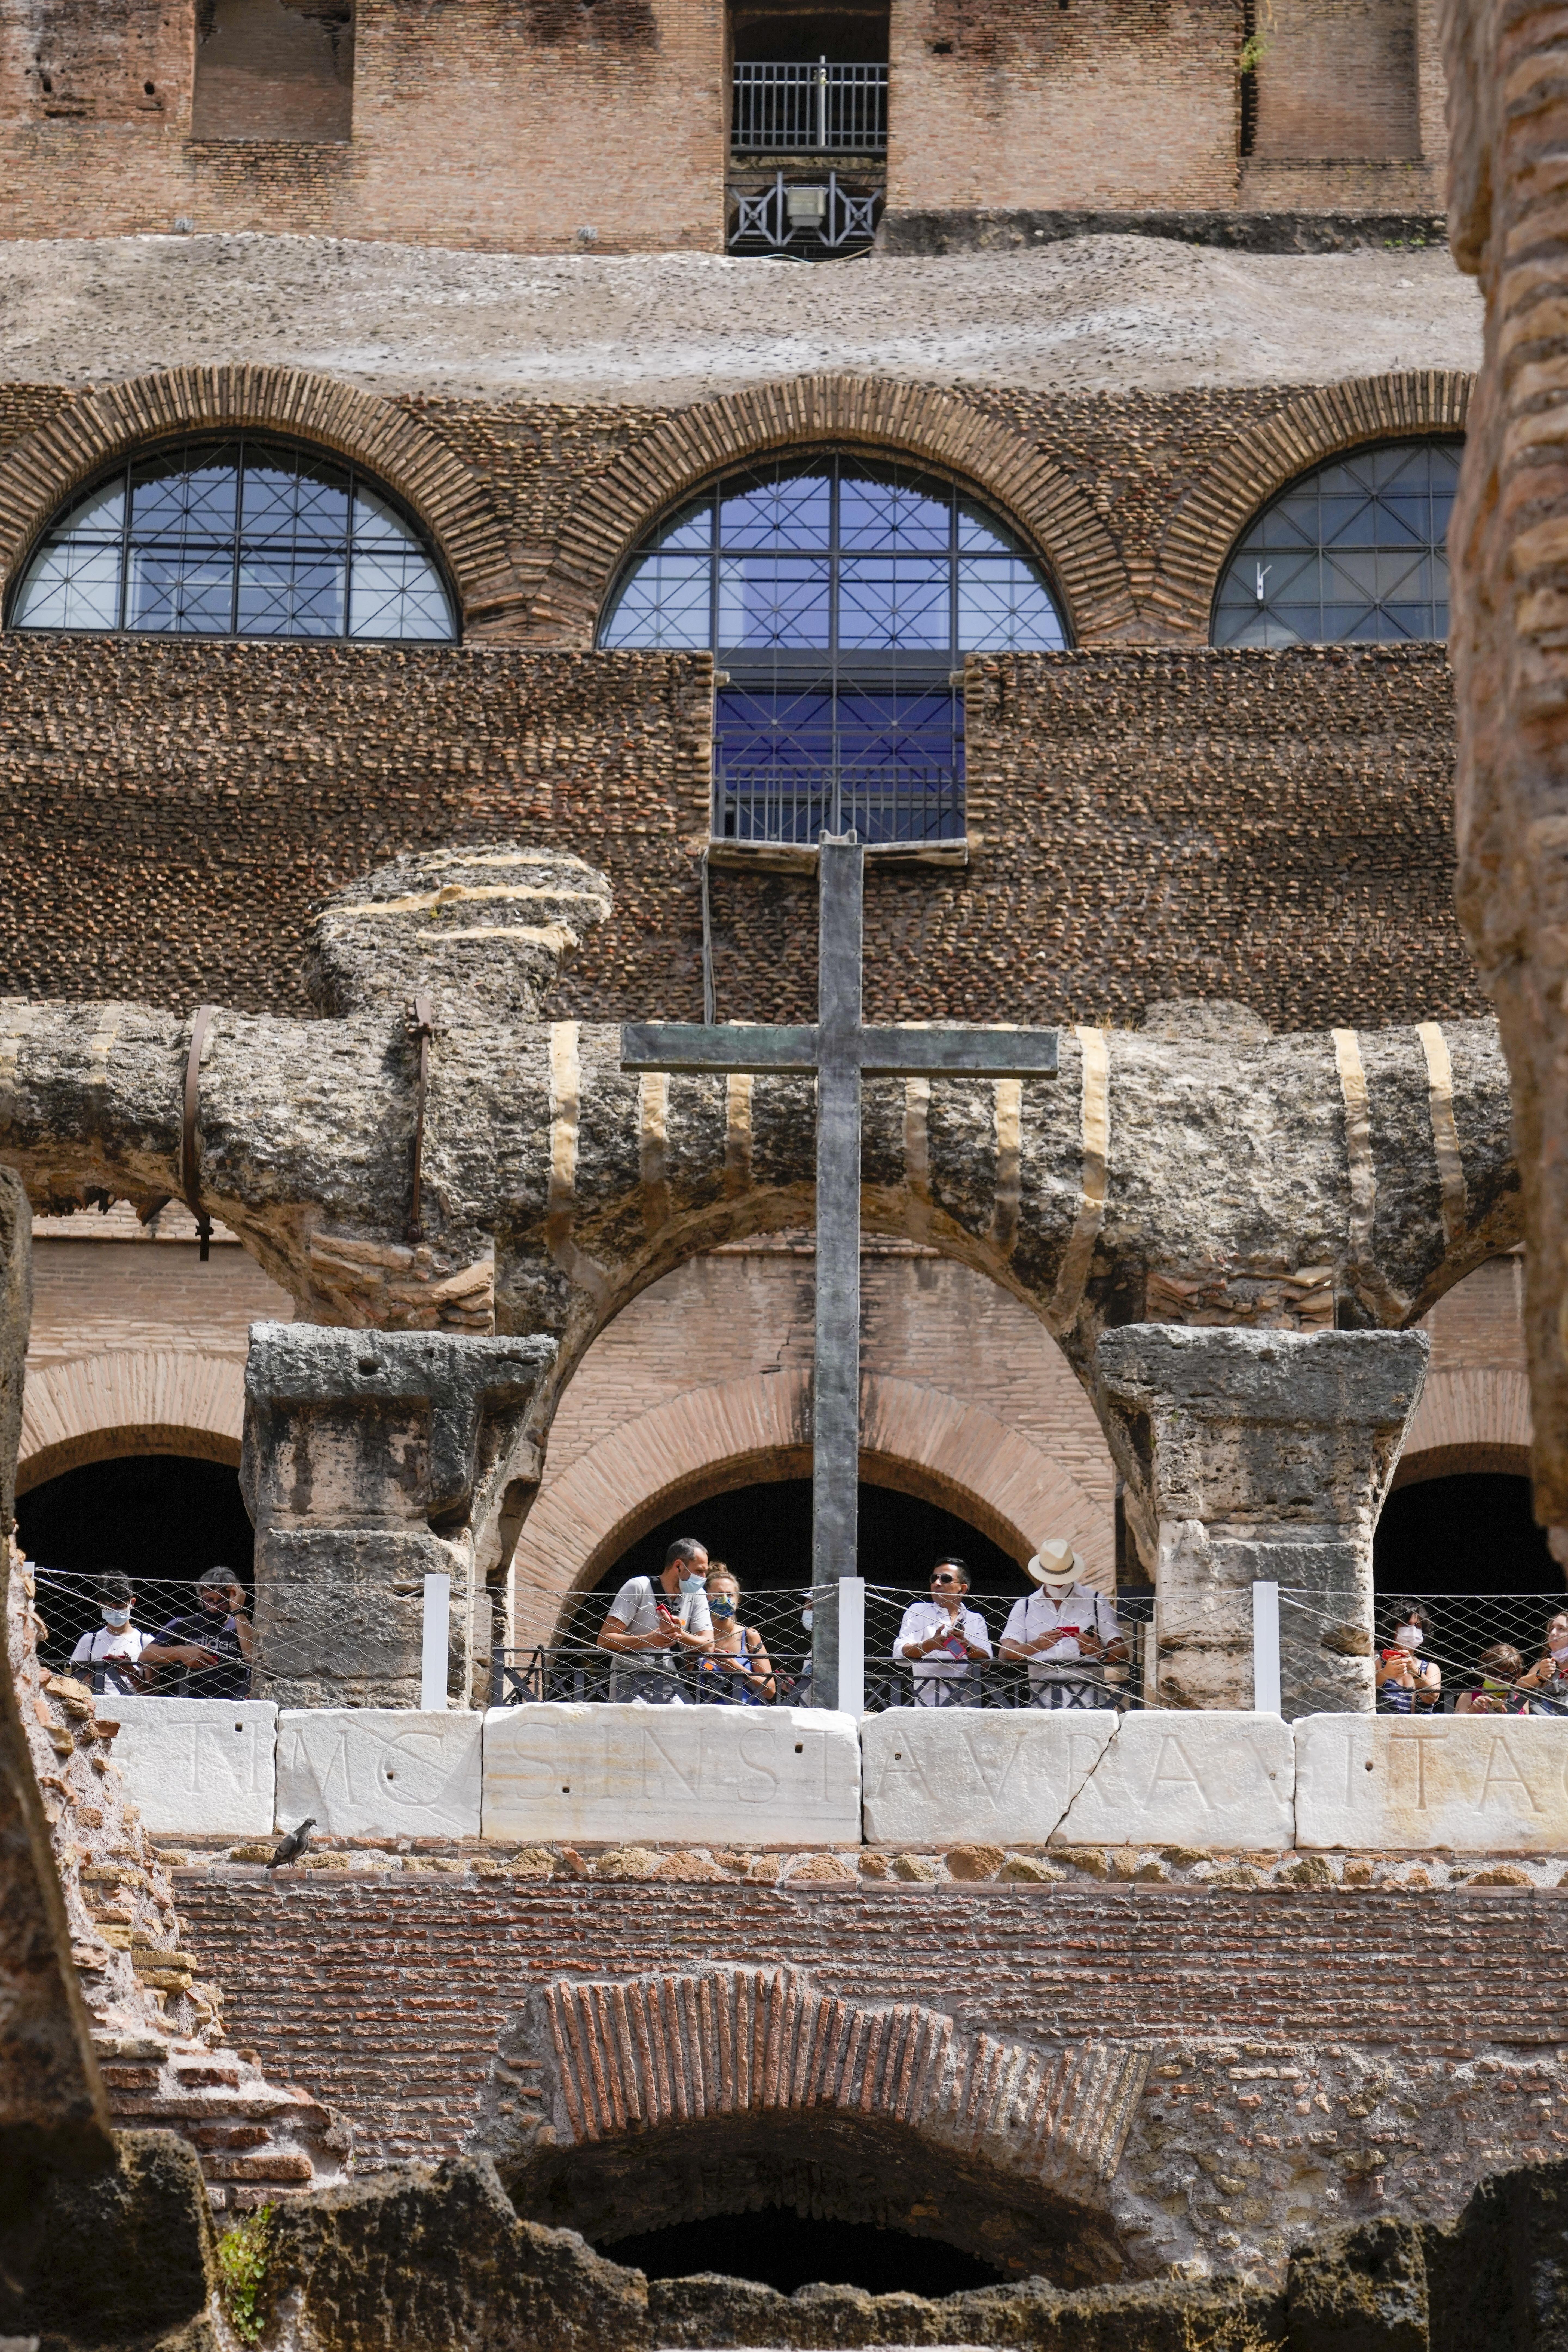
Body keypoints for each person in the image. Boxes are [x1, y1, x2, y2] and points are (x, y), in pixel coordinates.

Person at [998, 1539, 1125, 1708]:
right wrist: (1036, 1646)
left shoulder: (1096, 1601)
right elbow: (1005, 1654)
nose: (1058, 1583)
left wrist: (1097, 1652)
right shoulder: (1026, 1605)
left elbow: (1122, 1653)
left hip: (1090, 1701)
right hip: (1041, 1702)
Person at [596, 1536, 714, 1701]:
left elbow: (708, 1645)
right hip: (631, 1682)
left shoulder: (698, 1595)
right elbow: (605, 1639)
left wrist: (679, 1634)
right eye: (699, 1571)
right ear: (679, 1566)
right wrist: (648, 1640)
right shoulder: (638, 1587)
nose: (703, 1578)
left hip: (674, 1684)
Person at [892, 1557, 993, 1706]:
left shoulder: (976, 1619)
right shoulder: (918, 1611)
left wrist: (966, 1646)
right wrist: (930, 1645)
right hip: (926, 1706)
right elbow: (899, 1655)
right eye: (934, 1578)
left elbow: (987, 1663)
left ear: (962, 1589)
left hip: (967, 1709)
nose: (937, 1583)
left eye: (945, 1579)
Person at [140, 1571, 253, 1698]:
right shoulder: (183, 1625)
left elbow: (252, 1657)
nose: (214, 1607)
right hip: (190, 1702)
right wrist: (180, 1652)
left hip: (234, 1701)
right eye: (209, 1600)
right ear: (201, 1596)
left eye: (222, 1602)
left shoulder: (241, 1627)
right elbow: (145, 1658)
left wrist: (238, 1609)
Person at [695, 1566, 776, 1704]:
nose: (725, 1600)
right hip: (706, 1718)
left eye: (730, 1595)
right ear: (705, 1598)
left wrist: (739, 1670)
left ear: (738, 1600)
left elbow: (770, 1691)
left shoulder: (749, 1636)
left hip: (746, 1715)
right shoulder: (696, 1636)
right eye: (719, 1594)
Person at [68, 1571, 155, 1697]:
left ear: (132, 1603)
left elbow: (155, 1694)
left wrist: (132, 1674)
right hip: (96, 1710)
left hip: (135, 1712)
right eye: (109, 1607)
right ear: (101, 1604)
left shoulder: (146, 1642)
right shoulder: (89, 1641)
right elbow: (74, 1684)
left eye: (120, 1607)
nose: (115, 1612)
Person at [1375, 1601, 1441, 1714]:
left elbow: (1431, 1698)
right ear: (1393, 1629)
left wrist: (1415, 1672)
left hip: (1420, 1731)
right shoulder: (1378, 1659)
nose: (1412, 1630)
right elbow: (1364, 1688)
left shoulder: (1431, 1668)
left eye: (1418, 1626)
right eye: (1405, 1625)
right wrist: (1385, 1674)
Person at [1456, 1642, 1533, 1714]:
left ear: (1515, 1676)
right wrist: (1472, 1712)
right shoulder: (1468, 1695)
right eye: (1492, 1673)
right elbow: (1455, 1726)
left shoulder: (1521, 1699)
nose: (1498, 1680)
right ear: (1484, 1671)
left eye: (1507, 1676)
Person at [1520, 1611, 1568, 1715]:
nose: (1553, 1633)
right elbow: (1519, 1687)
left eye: (1561, 1629)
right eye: (1551, 1629)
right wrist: (1540, 1677)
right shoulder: (1543, 1664)